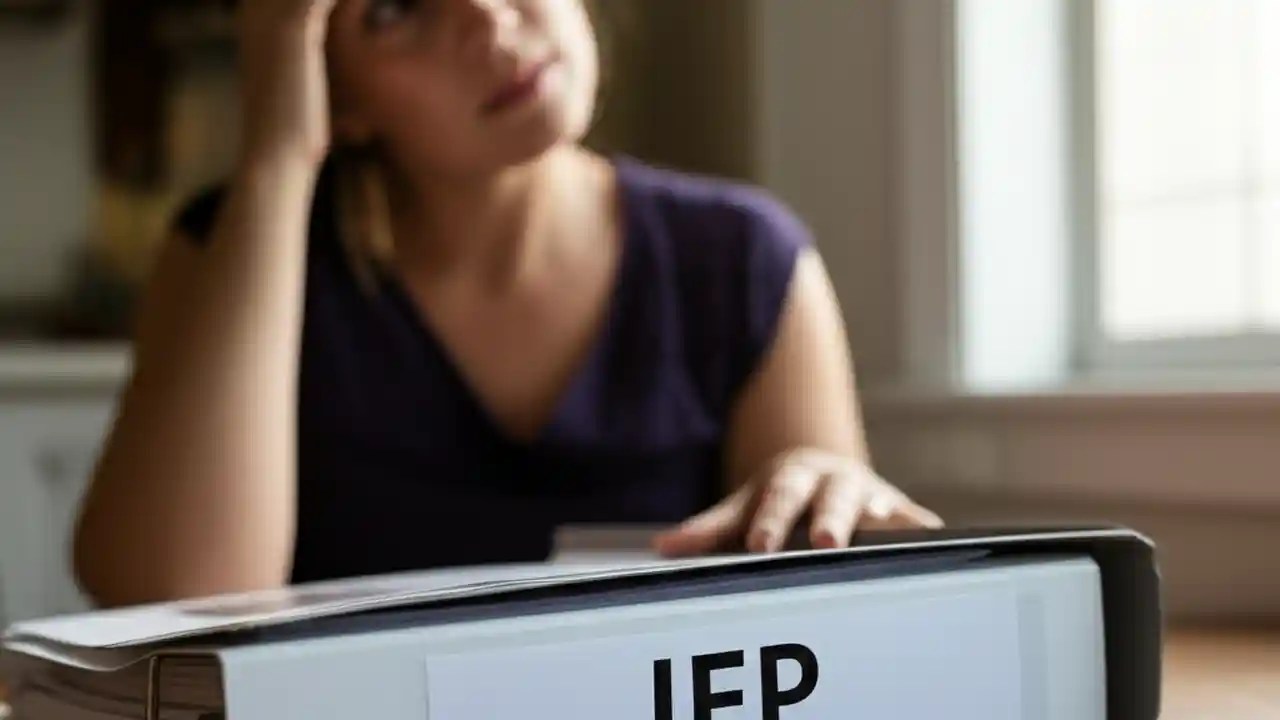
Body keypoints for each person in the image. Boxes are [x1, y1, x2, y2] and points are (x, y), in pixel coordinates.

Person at [72, 0, 941, 609]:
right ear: (334, 87)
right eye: (395, 8)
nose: (486, 16)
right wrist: (276, 156)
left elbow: (816, 607)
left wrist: (832, 495)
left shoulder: (745, 260)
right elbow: (175, 604)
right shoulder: (233, 248)